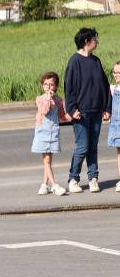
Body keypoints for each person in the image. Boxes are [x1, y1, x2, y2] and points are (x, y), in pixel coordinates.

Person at [63, 27, 112, 193]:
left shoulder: (96, 61)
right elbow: (69, 88)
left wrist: (107, 108)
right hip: (81, 113)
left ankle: (93, 178)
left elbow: (104, 86)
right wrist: (71, 109)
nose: (96, 41)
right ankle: (73, 179)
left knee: (93, 147)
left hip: (97, 111)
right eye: (94, 39)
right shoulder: (74, 62)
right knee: (82, 147)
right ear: (86, 41)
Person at [32, 72, 70, 196]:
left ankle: (44, 185)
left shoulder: (58, 100)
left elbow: (62, 115)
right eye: (45, 84)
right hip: (42, 132)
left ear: (56, 86)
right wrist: (48, 97)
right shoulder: (40, 99)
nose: (48, 87)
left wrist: (71, 116)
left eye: (51, 84)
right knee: (47, 160)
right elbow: (44, 110)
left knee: (48, 160)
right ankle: (54, 185)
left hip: (53, 132)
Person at [108, 60, 120, 191]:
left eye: (119, 73)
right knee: (119, 153)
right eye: (114, 72)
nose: (116, 75)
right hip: (117, 126)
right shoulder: (113, 89)